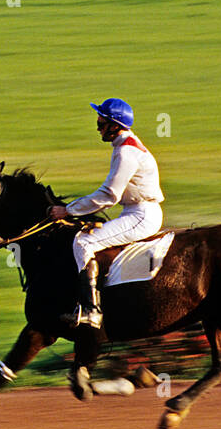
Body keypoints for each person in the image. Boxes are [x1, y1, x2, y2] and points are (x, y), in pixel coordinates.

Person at [50, 98, 164, 330]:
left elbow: (109, 195)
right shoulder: (125, 145)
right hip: (135, 210)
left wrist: (68, 210)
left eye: (102, 122)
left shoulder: (126, 152)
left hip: (141, 215)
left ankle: (92, 312)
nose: (98, 125)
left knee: (82, 242)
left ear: (115, 125)